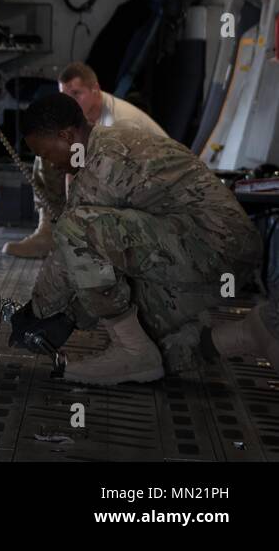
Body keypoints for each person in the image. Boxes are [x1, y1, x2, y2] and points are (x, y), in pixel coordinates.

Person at [13, 93, 261, 384]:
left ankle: (129, 350)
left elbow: (70, 250)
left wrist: (36, 312)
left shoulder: (103, 165)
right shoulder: (106, 142)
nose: (51, 165)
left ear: (67, 136)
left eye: (46, 154)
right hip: (218, 248)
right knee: (156, 349)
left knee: (77, 230)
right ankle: (253, 334)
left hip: (212, 245)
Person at [5, 61, 168, 259]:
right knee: (50, 153)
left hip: (158, 192)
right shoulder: (80, 121)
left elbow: (121, 180)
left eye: (76, 94)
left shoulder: (120, 123)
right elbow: (74, 166)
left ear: (96, 90)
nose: (70, 101)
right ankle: (48, 232)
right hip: (129, 185)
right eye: (65, 95)